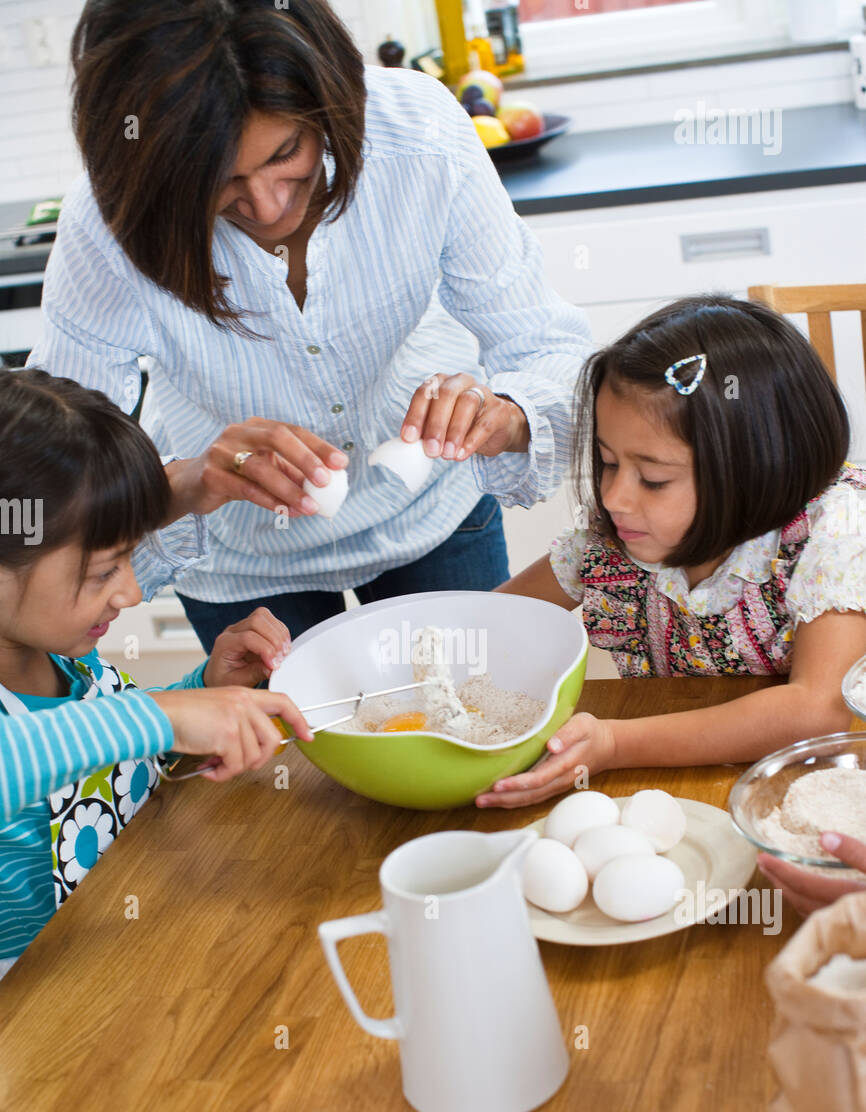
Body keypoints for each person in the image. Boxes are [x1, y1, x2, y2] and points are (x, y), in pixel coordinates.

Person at [27, 0, 592, 651]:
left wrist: (507, 414)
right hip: (244, 560)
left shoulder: (419, 136)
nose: (266, 205)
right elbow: (61, 468)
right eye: (218, 180)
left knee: (473, 723)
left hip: (434, 511)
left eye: (287, 152)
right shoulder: (108, 224)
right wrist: (197, 477)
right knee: (292, 752)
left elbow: (545, 345)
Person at [480, 294, 866, 808]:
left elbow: (818, 711)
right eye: (608, 462)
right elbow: (488, 625)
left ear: (757, 468)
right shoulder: (618, 539)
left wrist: (615, 743)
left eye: (655, 479)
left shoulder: (833, 531)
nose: (615, 497)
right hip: (684, 788)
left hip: (815, 790)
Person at [0, 370, 311, 979]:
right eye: (103, 573)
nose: (133, 593)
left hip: (128, 956)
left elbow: (112, 754)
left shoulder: (65, 656)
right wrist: (160, 715)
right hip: (35, 1025)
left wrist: (203, 690)